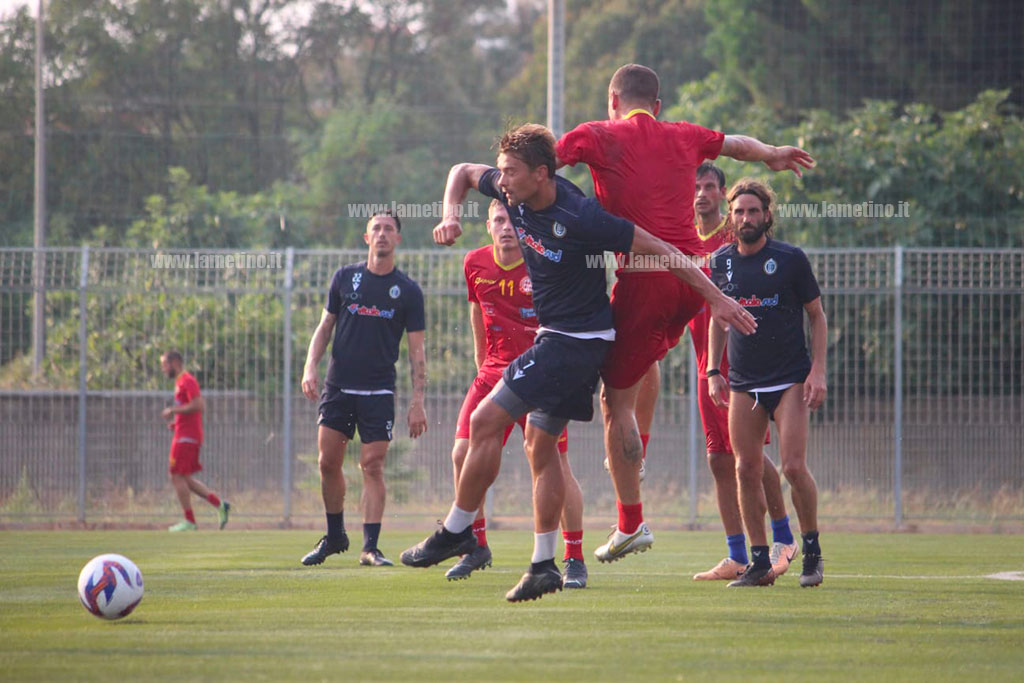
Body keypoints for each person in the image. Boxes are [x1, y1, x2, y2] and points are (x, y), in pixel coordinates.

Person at [400, 123, 756, 602]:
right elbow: (461, 171)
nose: (501, 181)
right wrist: (450, 215)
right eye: (501, 172)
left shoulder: (583, 216)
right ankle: (544, 564)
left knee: (485, 423)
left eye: (510, 172)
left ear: (542, 174)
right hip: (565, 339)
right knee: (540, 449)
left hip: (575, 343)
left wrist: (715, 299)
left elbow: (667, 251)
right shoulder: (514, 194)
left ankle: (457, 530)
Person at [555, 63, 814, 563]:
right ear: (657, 105)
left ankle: (632, 520)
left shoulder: (597, 134)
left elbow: (541, 165)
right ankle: (754, 542)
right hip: (693, 285)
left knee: (615, 402)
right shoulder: (684, 135)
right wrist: (774, 155)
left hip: (647, 280)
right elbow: (737, 144)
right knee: (705, 429)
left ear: (613, 100)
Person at [445, 199, 588, 589]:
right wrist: (482, 364)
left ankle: (573, 558)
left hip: (541, 373)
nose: (505, 227)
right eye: (497, 221)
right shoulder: (474, 262)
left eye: (510, 220)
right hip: (494, 373)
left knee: (554, 466)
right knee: (461, 452)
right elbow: (478, 313)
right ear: (488, 227)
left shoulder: (541, 262)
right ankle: (475, 545)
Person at [707, 179, 827, 588]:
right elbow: (717, 318)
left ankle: (811, 550)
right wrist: (712, 371)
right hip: (743, 383)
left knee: (792, 467)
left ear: (767, 215)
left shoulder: (790, 259)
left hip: (789, 379)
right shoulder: (720, 262)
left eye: (753, 211)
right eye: (739, 211)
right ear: (731, 216)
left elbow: (817, 315)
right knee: (745, 468)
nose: (746, 218)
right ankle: (759, 563)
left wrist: (818, 370)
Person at [688, 163, 799, 581]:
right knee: (719, 460)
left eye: (710, 187)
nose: (702, 194)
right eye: (695, 187)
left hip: (745, 364)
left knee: (749, 458)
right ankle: (736, 553)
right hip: (707, 363)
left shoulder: (735, 237)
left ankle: (783, 537)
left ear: (723, 195)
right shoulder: (680, 239)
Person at [299, 211, 427, 568]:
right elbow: (325, 328)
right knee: (328, 462)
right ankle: (335, 534)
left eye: (389, 229)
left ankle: (370, 547)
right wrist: (310, 365)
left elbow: (417, 352)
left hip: (379, 391)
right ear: (366, 237)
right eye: (377, 229)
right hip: (339, 386)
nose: (383, 234)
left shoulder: (409, 292)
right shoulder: (345, 278)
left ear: (398, 239)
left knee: (372, 465)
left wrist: (418, 401)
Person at [160, 351, 230, 532]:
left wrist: (173, 410)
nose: (163, 369)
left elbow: (199, 405)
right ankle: (220, 505)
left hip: (187, 437)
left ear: (174, 362)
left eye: (164, 365)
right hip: (184, 433)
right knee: (184, 478)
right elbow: (190, 410)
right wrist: (177, 423)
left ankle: (190, 521)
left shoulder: (187, 380)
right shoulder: (179, 382)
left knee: (176, 475)